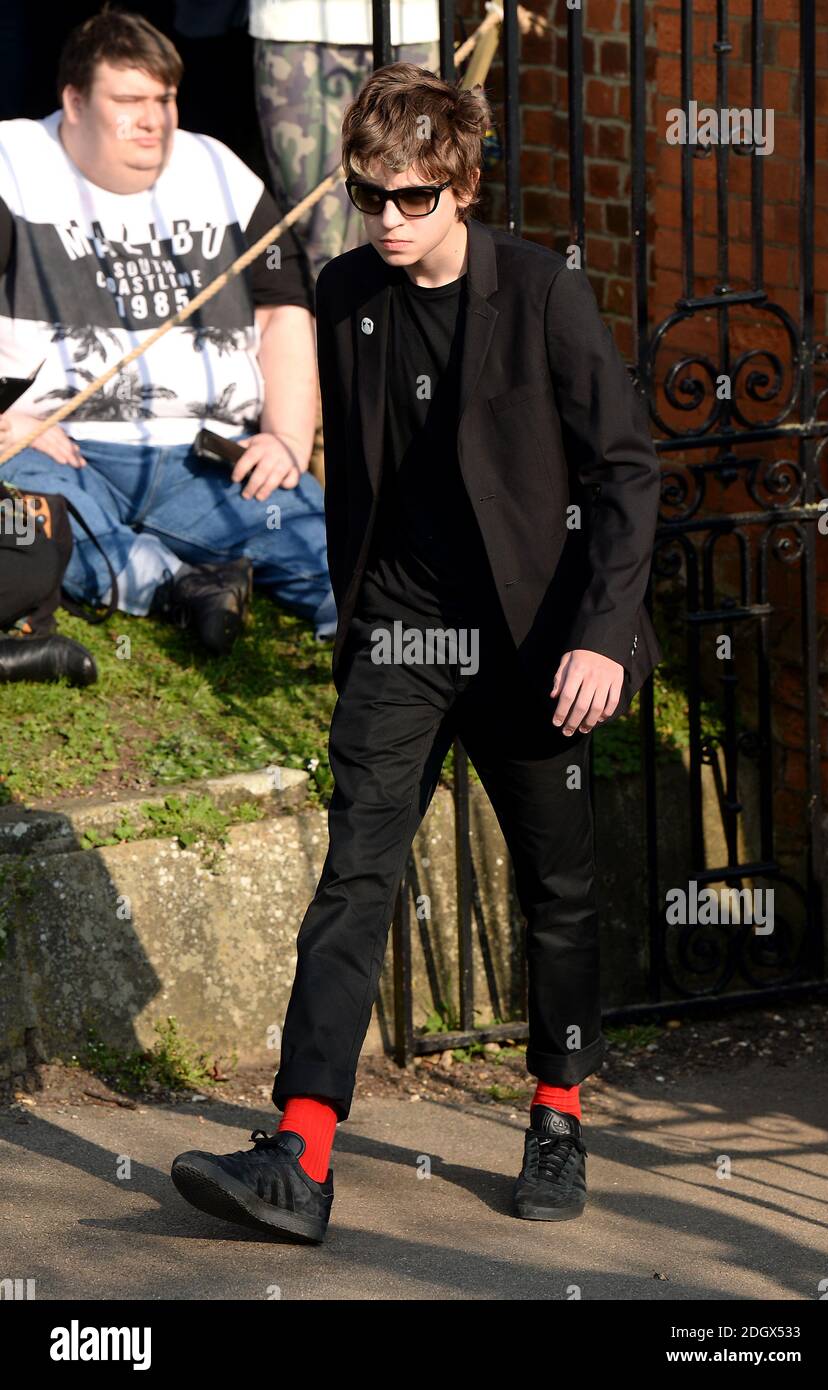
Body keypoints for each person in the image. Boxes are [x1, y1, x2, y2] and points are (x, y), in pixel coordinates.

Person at [170, 62, 663, 1243]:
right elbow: (313, 384)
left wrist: (600, 638)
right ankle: (301, 1149)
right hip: (401, 631)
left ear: (462, 185)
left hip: (534, 638)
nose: (387, 219)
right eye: (366, 194)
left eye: (412, 198)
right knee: (356, 875)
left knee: (556, 882)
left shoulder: (541, 294)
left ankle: (555, 1111)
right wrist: (288, 446)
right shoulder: (347, 291)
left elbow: (626, 472)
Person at [0, 7, 336, 654]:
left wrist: (288, 439)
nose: (154, 120)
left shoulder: (218, 172)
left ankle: (393, 646)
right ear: (73, 101)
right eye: (128, 100)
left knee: (322, 549)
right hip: (58, 451)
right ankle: (176, 587)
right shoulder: (14, 166)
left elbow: (282, 309)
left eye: (165, 98)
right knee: (26, 521)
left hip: (204, 454)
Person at [250, 0, 441, 282]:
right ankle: (332, 322)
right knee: (315, 224)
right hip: (297, 23)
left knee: (412, 203)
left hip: (408, 24)